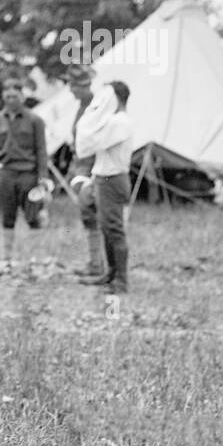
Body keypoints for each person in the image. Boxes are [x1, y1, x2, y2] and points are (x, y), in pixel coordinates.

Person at [77, 80, 134, 294]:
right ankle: (111, 274)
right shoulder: (113, 121)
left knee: (114, 229)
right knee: (106, 228)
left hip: (113, 178)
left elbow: (92, 142)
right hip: (104, 177)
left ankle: (121, 280)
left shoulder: (120, 122)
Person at [0, 78, 48, 264]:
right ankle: (7, 258)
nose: (10, 99)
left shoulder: (35, 120)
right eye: (7, 96)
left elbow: (41, 150)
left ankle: (36, 257)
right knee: (7, 216)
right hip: (6, 173)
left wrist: (42, 177)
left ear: (22, 96)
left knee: (33, 216)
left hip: (28, 173)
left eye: (14, 96)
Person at [64, 64, 104, 277]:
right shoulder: (82, 106)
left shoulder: (97, 106)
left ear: (83, 86)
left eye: (73, 86)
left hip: (93, 167)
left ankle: (101, 263)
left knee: (96, 212)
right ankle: (95, 262)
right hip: (82, 165)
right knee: (87, 214)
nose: (71, 91)